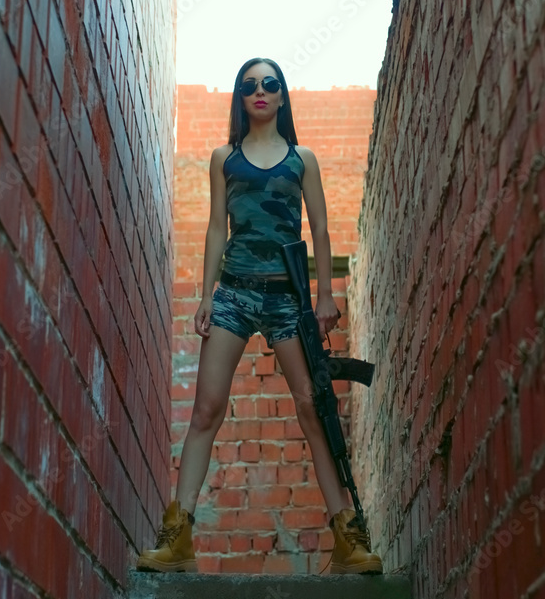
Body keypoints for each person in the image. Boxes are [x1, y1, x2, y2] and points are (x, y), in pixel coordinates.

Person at [135, 57, 383, 575]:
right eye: (250, 86)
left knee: (312, 410)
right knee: (206, 409)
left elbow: (319, 227)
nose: (261, 92)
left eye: (270, 84)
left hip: (287, 298)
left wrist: (324, 297)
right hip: (234, 294)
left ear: (283, 95)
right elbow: (215, 231)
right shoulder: (223, 157)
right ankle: (178, 537)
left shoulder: (302, 159)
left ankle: (347, 539)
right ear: (240, 97)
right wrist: (206, 295)